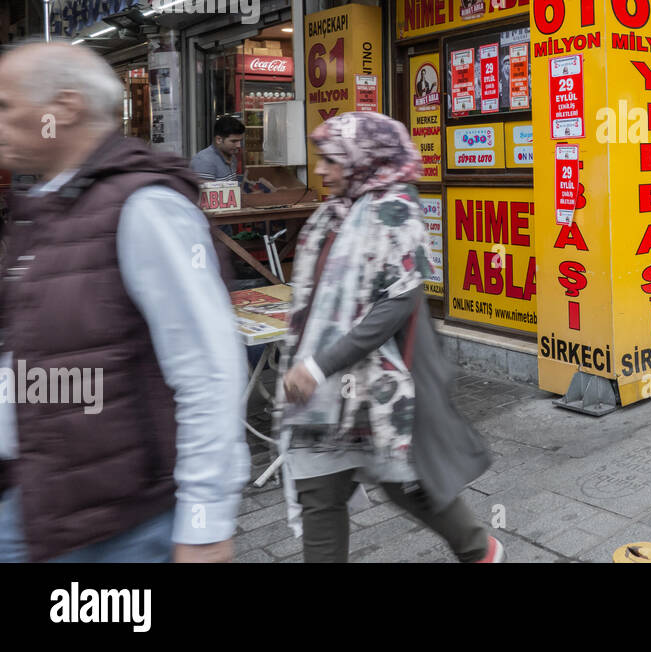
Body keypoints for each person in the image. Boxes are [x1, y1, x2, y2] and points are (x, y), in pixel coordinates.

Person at [0, 41, 247, 562]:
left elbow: (209, 369)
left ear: (62, 108)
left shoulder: (144, 205)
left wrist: (203, 523)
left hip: (120, 527)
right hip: (41, 499)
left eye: (6, 106)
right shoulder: (44, 207)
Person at [277, 111, 502, 563]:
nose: (319, 170)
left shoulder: (395, 213)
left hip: (376, 383)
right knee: (319, 491)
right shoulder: (330, 216)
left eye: (330, 160)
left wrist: (319, 364)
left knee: (405, 484)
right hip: (320, 394)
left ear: (364, 160)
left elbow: (395, 305)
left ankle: (479, 548)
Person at [191, 114, 245, 180]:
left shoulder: (231, 156)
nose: (238, 145)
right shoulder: (204, 161)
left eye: (240, 141)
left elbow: (232, 189)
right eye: (234, 141)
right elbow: (206, 190)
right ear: (219, 140)